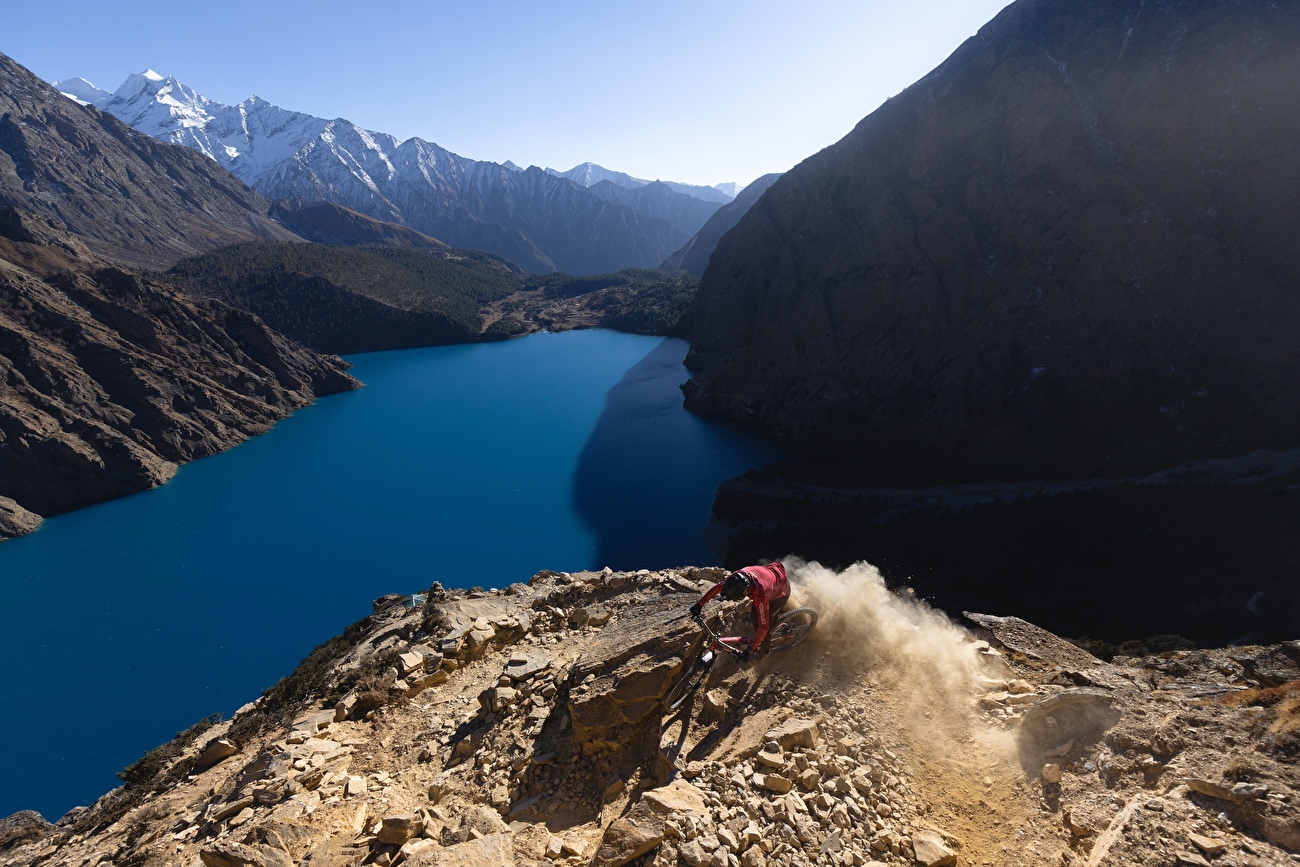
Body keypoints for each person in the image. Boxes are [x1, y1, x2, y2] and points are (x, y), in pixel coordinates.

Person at [689, 562, 790, 661]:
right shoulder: (737, 578)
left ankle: (765, 651)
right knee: (754, 618)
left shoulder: (760, 594)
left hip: (780, 593)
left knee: (762, 626)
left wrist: (749, 650)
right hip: (771, 576)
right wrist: (699, 605)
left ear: (746, 592)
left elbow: (764, 627)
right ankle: (758, 642)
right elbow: (717, 588)